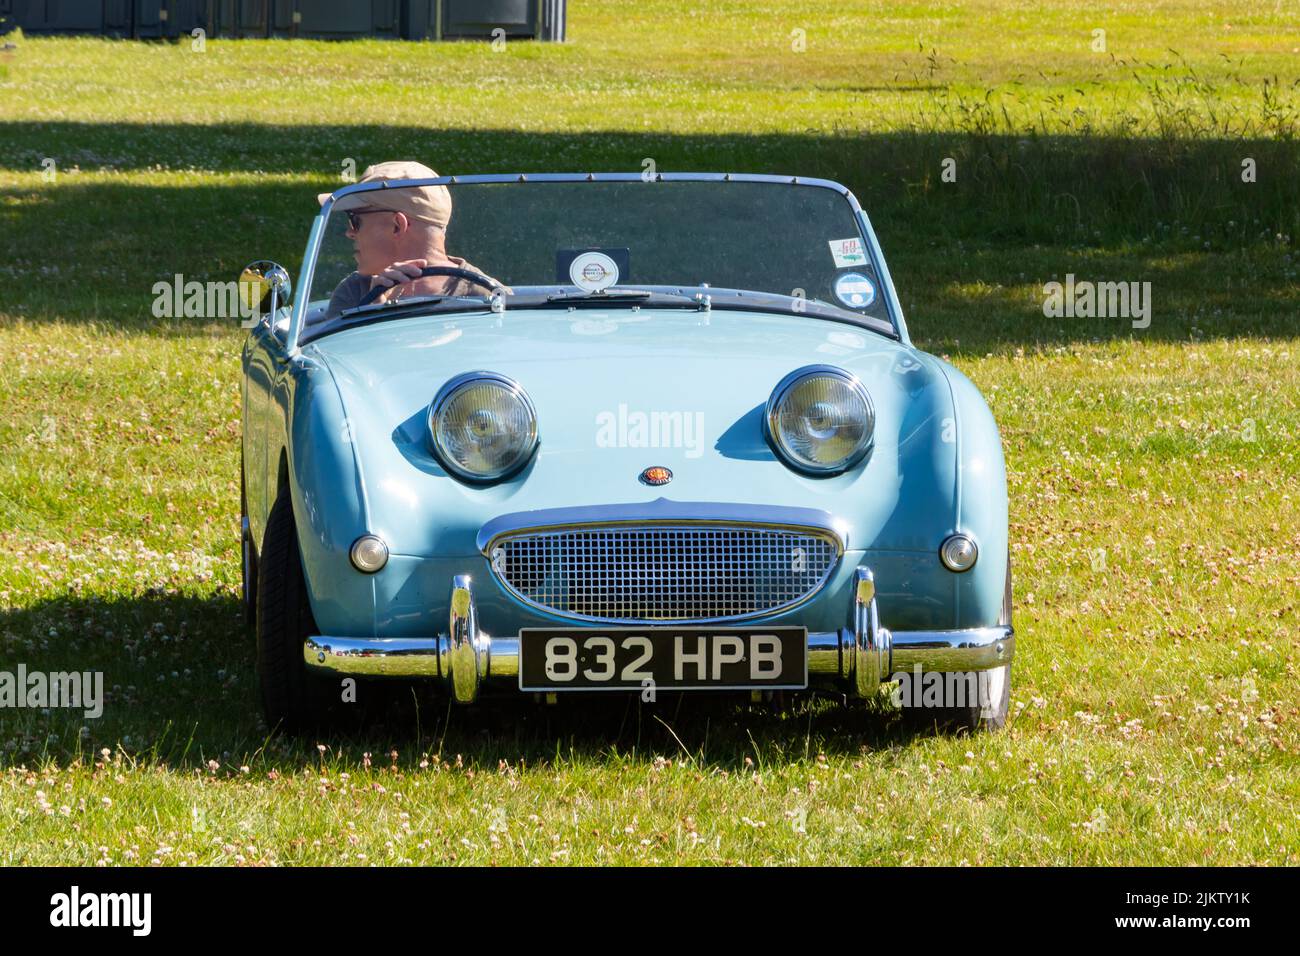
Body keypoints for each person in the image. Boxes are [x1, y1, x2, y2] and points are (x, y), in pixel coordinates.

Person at [318, 161, 507, 319]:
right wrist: (372, 309)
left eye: (355, 220)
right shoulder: (355, 291)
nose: (350, 233)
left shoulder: (488, 295)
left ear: (397, 225)